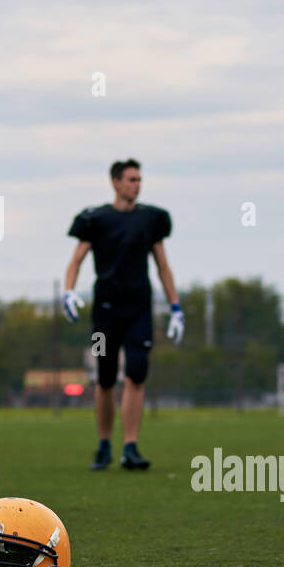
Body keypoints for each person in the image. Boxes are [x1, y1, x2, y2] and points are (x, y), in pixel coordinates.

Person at [62, 159, 184, 471]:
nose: (137, 184)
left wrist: (175, 306)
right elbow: (76, 259)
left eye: (139, 179)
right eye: (131, 179)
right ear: (116, 182)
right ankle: (104, 444)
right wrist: (69, 291)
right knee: (105, 377)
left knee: (137, 372)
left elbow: (163, 265)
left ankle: (130, 446)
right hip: (105, 308)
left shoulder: (151, 219)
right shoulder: (96, 219)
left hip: (138, 307)